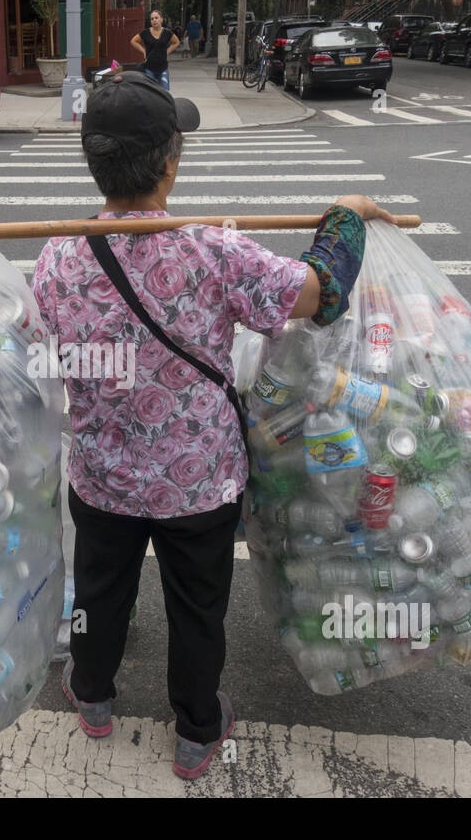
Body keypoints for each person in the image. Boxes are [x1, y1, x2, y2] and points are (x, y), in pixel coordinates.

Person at [30, 72, 393, 779]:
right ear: (171, 161)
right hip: (198, 484)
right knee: (198, 609)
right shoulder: (214, 253)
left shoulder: (56, 260)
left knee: (101, 596)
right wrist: (344, 216)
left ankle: (93, 696)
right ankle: (197, 729)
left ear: (92, 160)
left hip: (103, 476)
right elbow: (320, 296)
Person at [131, 10, 180, 90]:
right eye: (152, 19)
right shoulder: (145, 33)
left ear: (161, 19)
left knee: (165, 93)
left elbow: (176, 42)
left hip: (163, 68)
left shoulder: (167, 33)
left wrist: (167, 51)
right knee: (150, 93)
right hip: (149, 69)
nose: (154, 20)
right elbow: (133, 41)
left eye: (156, 18)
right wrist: (143, 51)